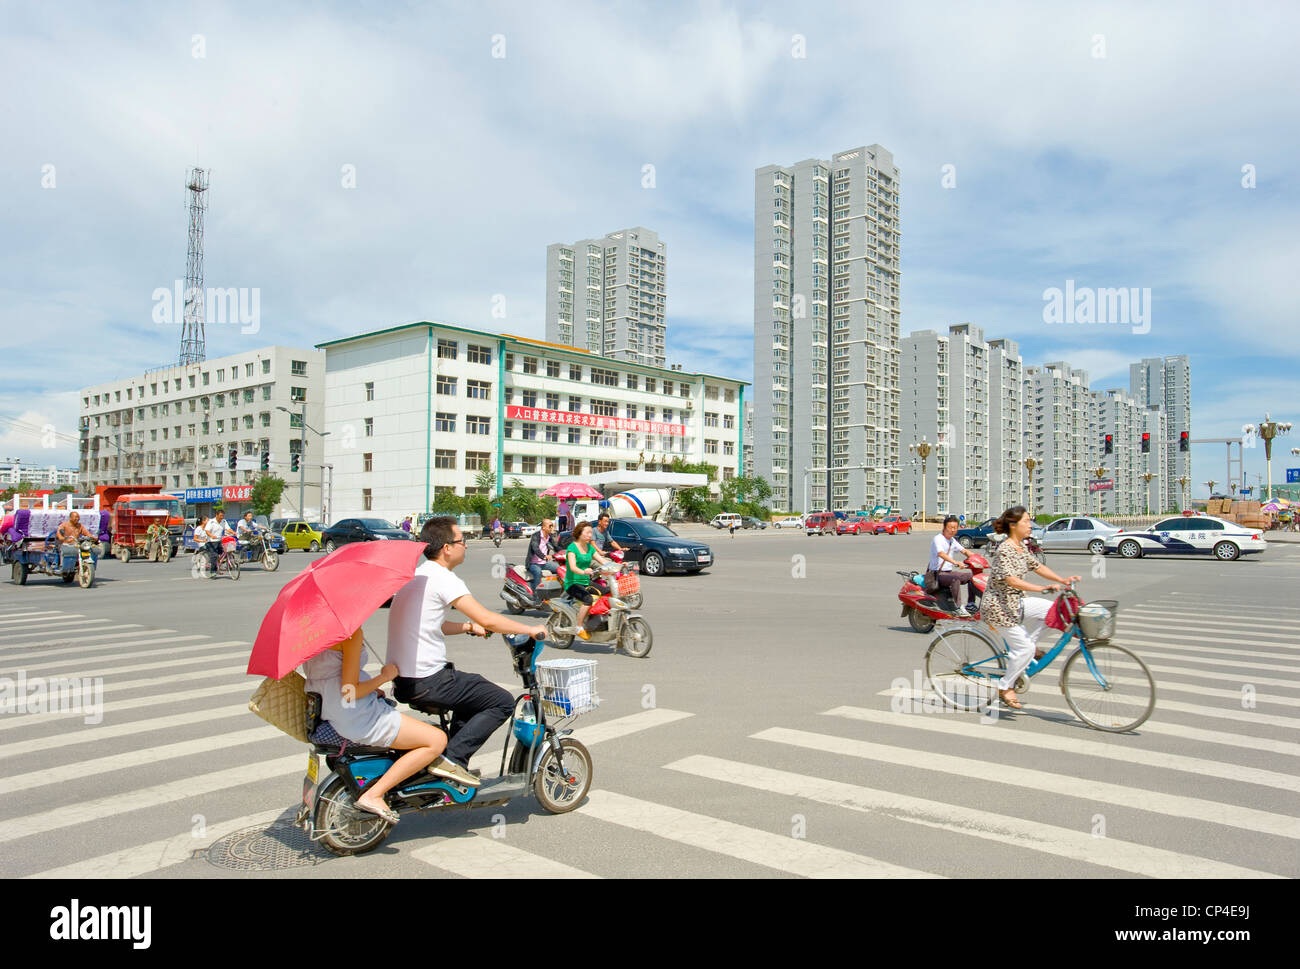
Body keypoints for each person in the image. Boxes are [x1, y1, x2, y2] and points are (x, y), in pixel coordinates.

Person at [387, 516, 547, 787]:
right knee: (501, 701)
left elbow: (435, 624)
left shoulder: (417, 576)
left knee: (473, 692)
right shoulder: (443, 578)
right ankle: (453, 760)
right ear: (447, 547)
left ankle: (446, 764)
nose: (466, 546)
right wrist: (530, 629)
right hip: (429, 680)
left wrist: (468, 627)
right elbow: (489, 618)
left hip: (406, 680)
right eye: (463, 540)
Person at [302, 627, 448, 824]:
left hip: (328, 709)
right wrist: (385, 677)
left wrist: (370, 687)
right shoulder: (349, 634)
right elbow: (350, 691)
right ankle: (374, 795)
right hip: (355, 715)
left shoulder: (311, 632)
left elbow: (332, 675)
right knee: (436, 740)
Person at [982, 506, 1081, 710]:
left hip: (1015, 603)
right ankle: (1005, 686)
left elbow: (1037, 566)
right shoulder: (1004, 550)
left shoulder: (1020, 547)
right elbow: (1011, 580)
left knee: (1054, 610)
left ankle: (1029, 648)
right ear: (1013, 525)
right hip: (998, 607)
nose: (1030, 525)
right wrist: (1041, 587)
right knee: (1025, 648)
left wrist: (1062, 579)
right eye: (1026, 521)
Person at [564, 520, 608, 641]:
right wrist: (584, 572)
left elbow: (602, 560)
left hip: (586, 582)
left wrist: (617, 566)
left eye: (591, 533)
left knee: (607, 591)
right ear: (579, 533)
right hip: (573, 583)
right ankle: (579, 627)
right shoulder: (572, 548)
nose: (590, 535)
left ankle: (595, 619)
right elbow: (572, 567)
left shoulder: (589, 548)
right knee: (587, 599)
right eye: (587, 533)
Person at [931, 515, 977, 614]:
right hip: (938, 574)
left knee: (972, 577)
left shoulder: (952, 541)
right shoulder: (938, 539)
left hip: (948, 572)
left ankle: (971, 604)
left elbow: (964, 551)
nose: (953, 530)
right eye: (950, 527)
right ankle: (958, 607)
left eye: (955, 528)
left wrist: (977, 558)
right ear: (944, 527)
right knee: (954, 579)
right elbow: (941, 553)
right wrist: (955, 562)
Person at [525, 518, 560, 598]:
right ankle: (536, 595)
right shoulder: (536, 536)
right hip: (533, 563)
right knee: (538, 572)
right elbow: (535, 548)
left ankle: (554, 591)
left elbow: (556, 547)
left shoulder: (549, 536)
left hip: (544, 563)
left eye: (552, 526)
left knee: (559, 569)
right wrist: (544, 556)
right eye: (550, 526)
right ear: (543, 527)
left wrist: (566, 552)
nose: (552, 527)